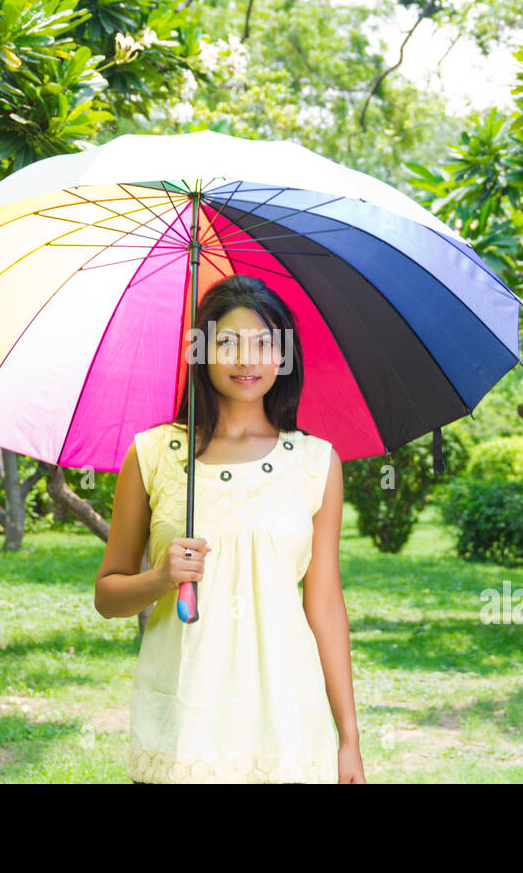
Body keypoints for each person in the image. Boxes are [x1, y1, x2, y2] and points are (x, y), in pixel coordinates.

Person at [94, 274, 365, 783]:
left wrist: (348, 739)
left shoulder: (316, 461)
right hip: (182, 728)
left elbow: (325, 603)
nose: (248, 360)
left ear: (284, 357)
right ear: (201, 353)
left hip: (287, 727)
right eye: (228, 343)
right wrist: (160, 578)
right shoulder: (152, 455)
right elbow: (108, 597)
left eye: (265, 344)